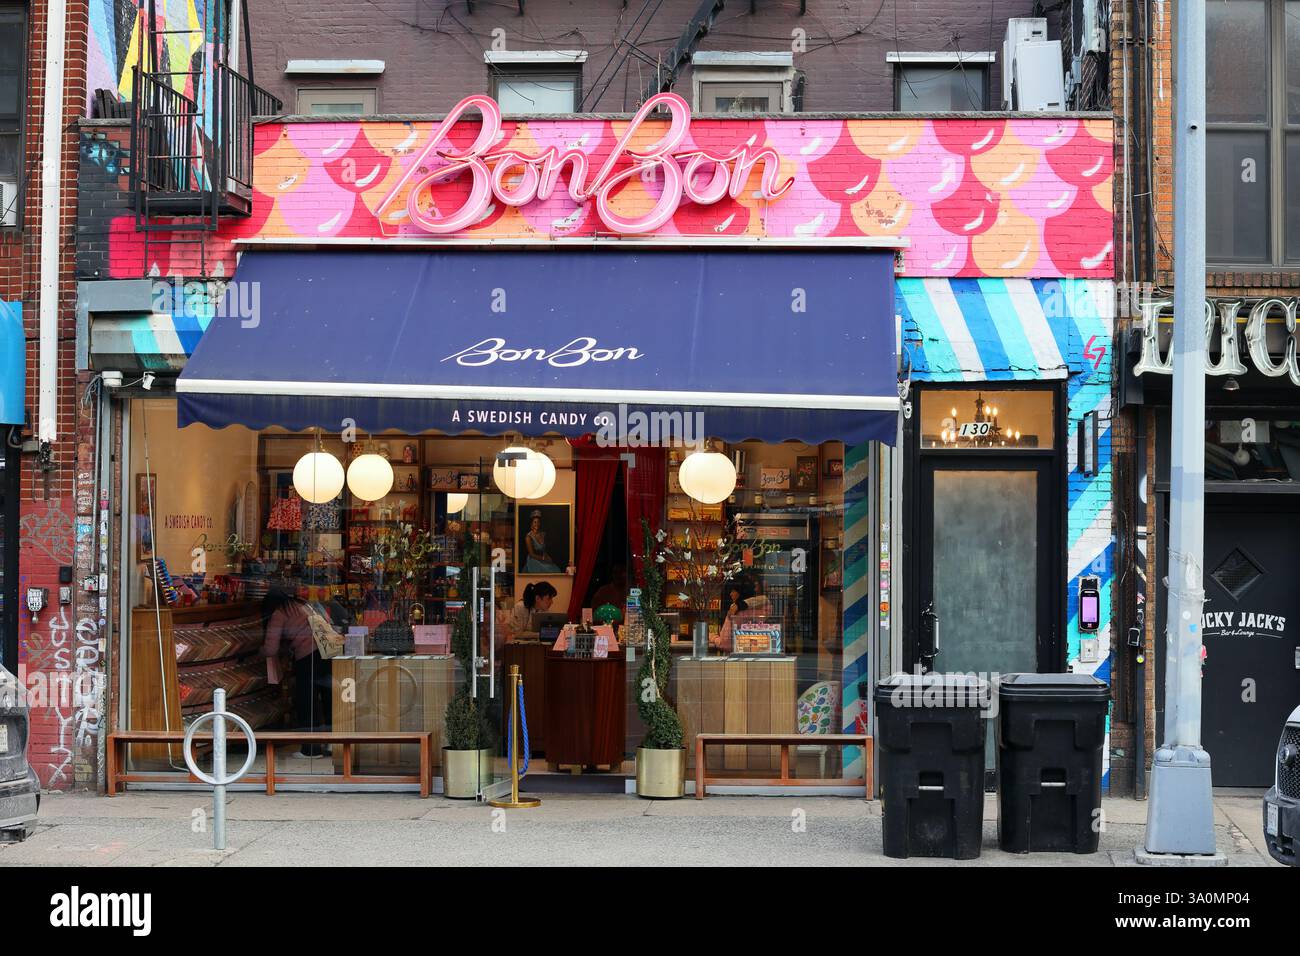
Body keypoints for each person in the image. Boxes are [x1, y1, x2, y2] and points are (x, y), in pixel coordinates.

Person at [261, 587, 332, 756]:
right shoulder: (302, 604)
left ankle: (311, 750)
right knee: (328, 699)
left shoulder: (279, 613)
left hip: (307, 658)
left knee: (307, 703)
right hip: (326, 652)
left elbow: (271, 649)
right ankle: (333, 744)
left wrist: (257, 652)